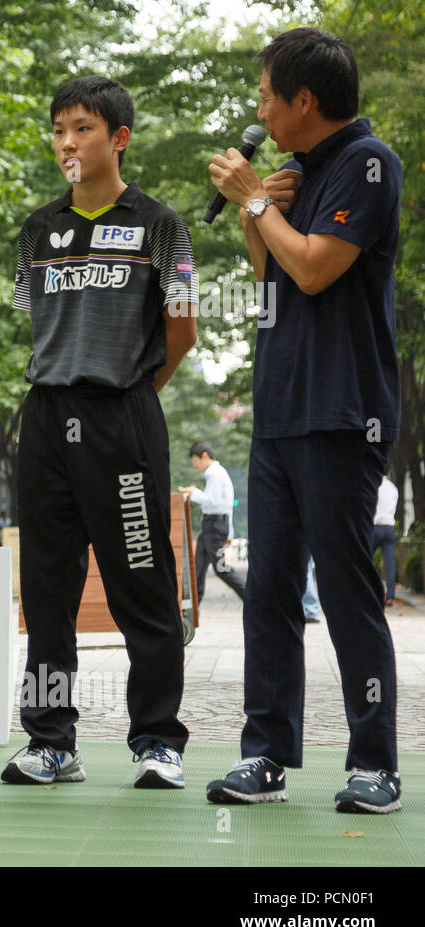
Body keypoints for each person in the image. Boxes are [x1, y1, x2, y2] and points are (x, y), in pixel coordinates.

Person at [206, 28, 402, 813]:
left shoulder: (368, 162)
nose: (259, 110)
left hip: (343, 410)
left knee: (349, 587)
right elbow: (274, 271)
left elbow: (318, 268)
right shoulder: (297, 172)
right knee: (270, 589)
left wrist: (255, 197)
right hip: (282, 406)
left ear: (304, 101)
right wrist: (257, 211)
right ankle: (265, 755)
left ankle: (376, 762)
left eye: (265, 96)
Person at [7, 75, 197, 790]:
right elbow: (42, 325)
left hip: (125, 418)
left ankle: (157, 740)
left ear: (118, 138)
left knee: (140, 586)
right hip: (47, 419)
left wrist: (130, 396)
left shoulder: (161, 224)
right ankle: (51, 741)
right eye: (58, 130)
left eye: (81, 128)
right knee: (47, 590)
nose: (66, 142)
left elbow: (182, 329)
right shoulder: (35, 231)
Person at [178, 441, 247, 602]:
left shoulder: (214, 473)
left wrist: (193, 492)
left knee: (221, 568)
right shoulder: (218, 473)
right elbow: (223, 504)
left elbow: (213, 501)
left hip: (214, 525)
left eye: (195, 461)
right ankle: (192, 608)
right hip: (213, 525)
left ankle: (252, 598)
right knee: (198, 569)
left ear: (204, 456)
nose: (195, 466)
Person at [373, 473, 398, 606]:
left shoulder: (373, 485)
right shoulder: (393, 488)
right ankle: (390, 596)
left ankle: (371, 590)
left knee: (364, 559)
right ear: (389, 473)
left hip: (374, 527)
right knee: (390, 563)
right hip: (389, 527)